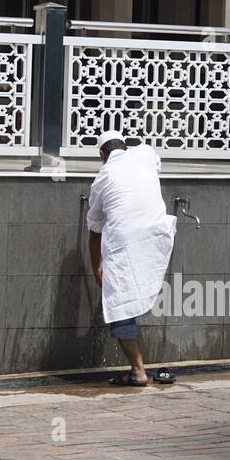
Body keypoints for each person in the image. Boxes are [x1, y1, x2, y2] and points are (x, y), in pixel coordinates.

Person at [86, 130, 177, 387]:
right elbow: (146, 149)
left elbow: (94, 230)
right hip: (157, 236)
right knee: (133, 296)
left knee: (120, 305)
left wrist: (96, 269)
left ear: (102, 154)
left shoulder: (103, 176)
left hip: (125, 243)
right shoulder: (145, 156)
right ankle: (139, 366)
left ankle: (138, 372)